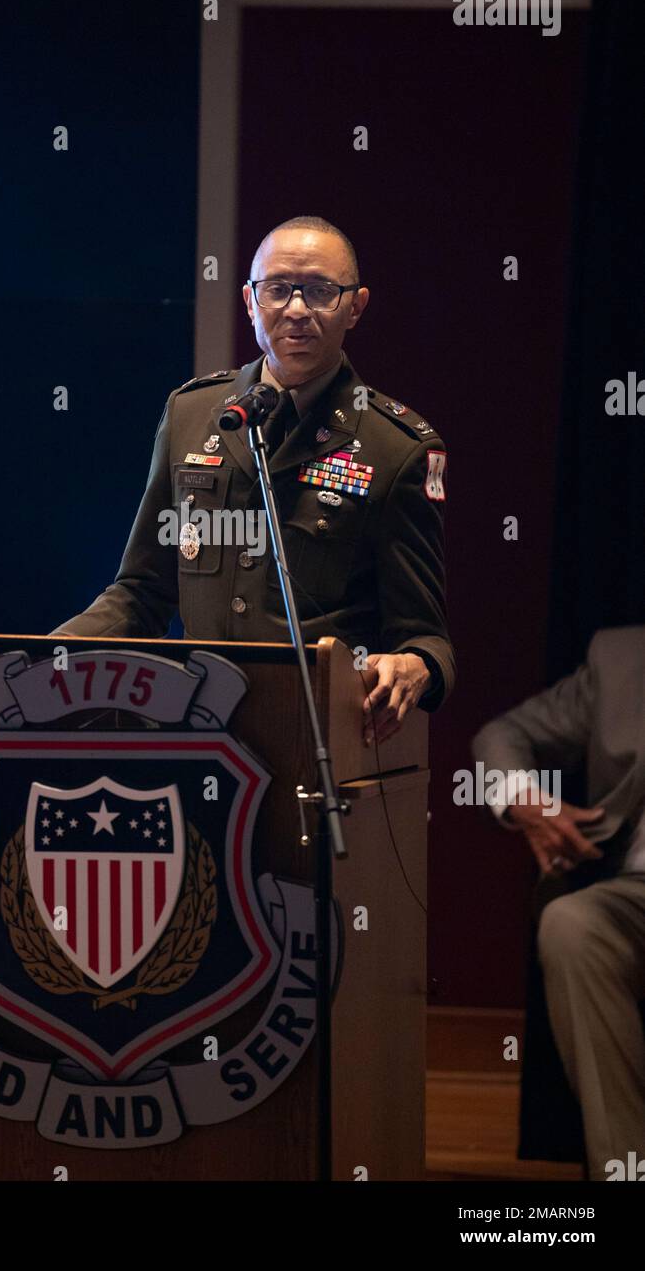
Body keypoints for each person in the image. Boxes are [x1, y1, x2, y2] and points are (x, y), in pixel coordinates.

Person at [51, 216, 455, 739]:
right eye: (278, 290)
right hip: (194, 730)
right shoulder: (193, 414)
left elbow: (425, 637)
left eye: (320, 292)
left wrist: (416, 663)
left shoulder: (397, 447)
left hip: (316, 737)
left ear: (355, 307)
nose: (296, 310)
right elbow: (142, 591)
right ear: (249, 302)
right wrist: (47, 655)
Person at [473, 625, 645, 1178]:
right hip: (632, 890)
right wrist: (522, 796)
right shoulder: (620, 656)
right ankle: (625, 1169)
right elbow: (501, 735)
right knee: (571, 924)